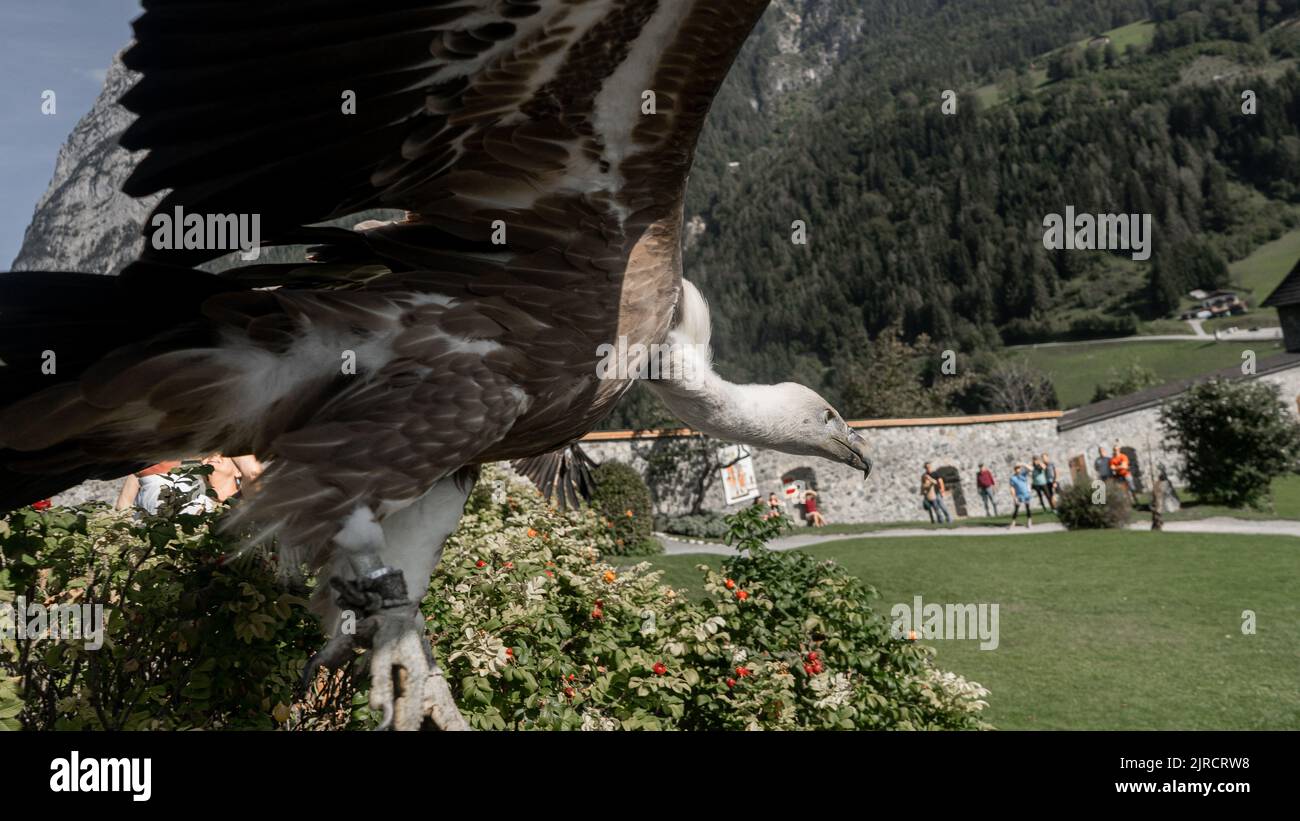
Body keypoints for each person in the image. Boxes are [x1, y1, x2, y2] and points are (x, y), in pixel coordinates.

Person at [1008, 463, 1034, 529]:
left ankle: (1029, 521)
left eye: (1019, 468)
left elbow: (1031, 469)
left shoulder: (1023, 474)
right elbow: (1012, 488)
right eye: (1016, 468)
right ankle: (1013, 522)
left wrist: (1023, 464)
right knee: (1016, 509)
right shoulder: (1013, 478)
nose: (1018, 470)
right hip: (1019, 495)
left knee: (1027, 508)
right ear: (1014, 470)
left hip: (1026, 494)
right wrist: (1014, 497)